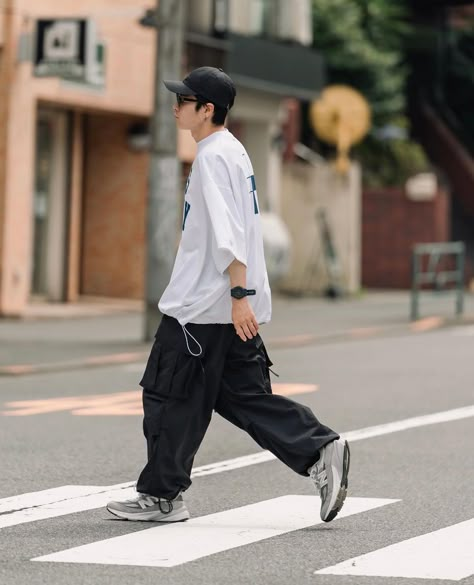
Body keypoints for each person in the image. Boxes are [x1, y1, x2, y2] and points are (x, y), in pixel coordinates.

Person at [107, 67, 350, 524]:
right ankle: (321, 450)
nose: (176, 106)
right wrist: (243, 297)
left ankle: (162, 496)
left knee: (168, 395)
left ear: (207, 109)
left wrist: (239, 293)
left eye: (184, 100)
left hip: (202, 307)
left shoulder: (212, 158)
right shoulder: (233, 150)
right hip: (227, 307)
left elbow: (228, 234)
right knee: (242, 397)